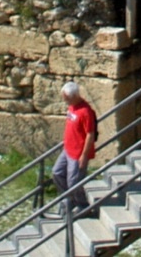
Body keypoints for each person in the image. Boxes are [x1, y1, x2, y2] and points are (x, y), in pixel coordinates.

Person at [53, 81, 98, 216]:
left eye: (67, 99)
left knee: (73, 182)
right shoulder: (72, 107)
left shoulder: (85, 111)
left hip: (78, 154)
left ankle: (83, 205)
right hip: (68, 149)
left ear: (74, 96)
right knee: (57, 173)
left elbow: (90, 134)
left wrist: (84, 155)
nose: (65, 102)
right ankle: (69, 199)